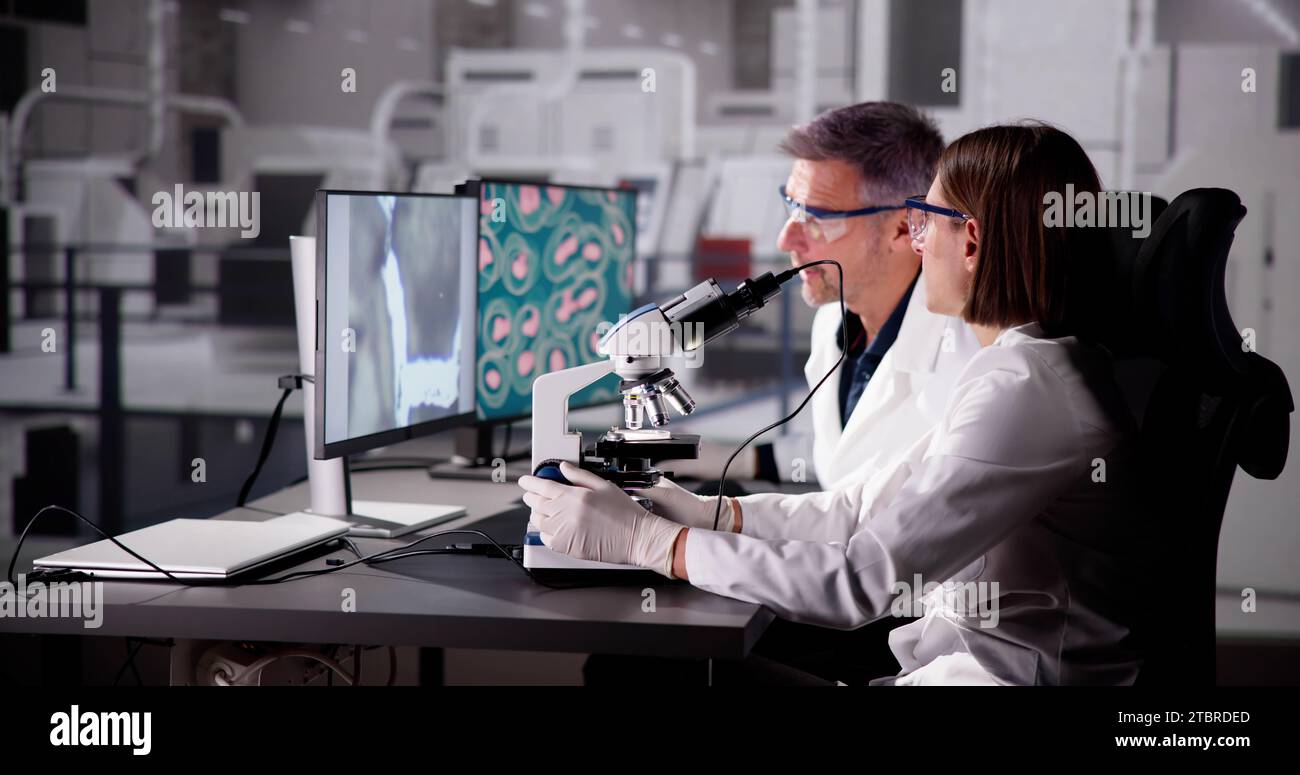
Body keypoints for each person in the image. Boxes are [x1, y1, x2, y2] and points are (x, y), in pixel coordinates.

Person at [520, 122, 1151, 685]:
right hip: (942, 668)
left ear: (972, 243)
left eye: (926, 220)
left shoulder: (1025, 387)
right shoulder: (1021, 368)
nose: (917, 241)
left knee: (643, 666)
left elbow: (857, 582)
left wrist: (652, 543)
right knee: (652, 659)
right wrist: (709, 514)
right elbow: (861, 508)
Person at [674, 101, 979, 491]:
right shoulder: (835, 320)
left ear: (904, 229)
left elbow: (884, 510)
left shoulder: (967, 360)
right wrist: (739, 460)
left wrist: (720, 520)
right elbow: (846, 456)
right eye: (791, 207)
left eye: (817, 219)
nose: (786, 240)